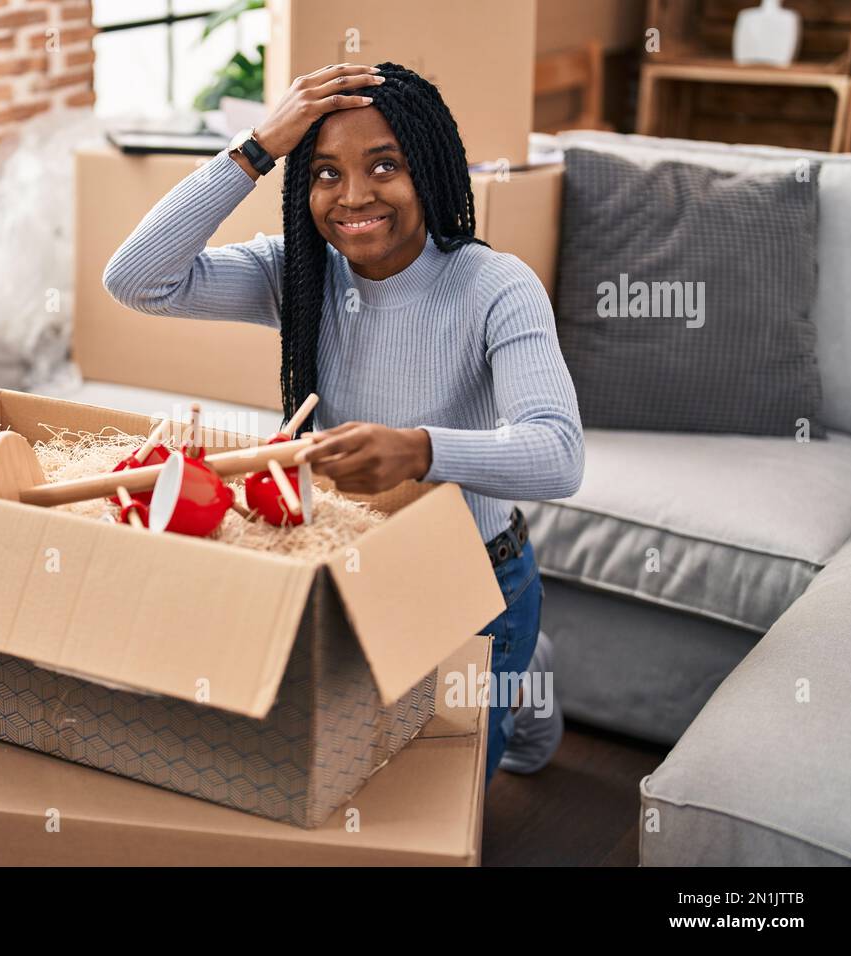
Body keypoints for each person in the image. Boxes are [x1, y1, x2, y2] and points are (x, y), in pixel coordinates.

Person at [103, 62, 583, 782]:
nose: (354, 196)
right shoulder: (299, 274)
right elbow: (136, 279)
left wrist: (420, 452)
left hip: (473, 578)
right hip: (350, 569)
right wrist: (257, 149)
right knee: (359, 773)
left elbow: (558, 455)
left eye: (384, 165)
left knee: (446, 793)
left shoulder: (496, 286)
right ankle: (524, 668)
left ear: (431, 170)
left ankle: (518, 664)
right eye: (325, 172)